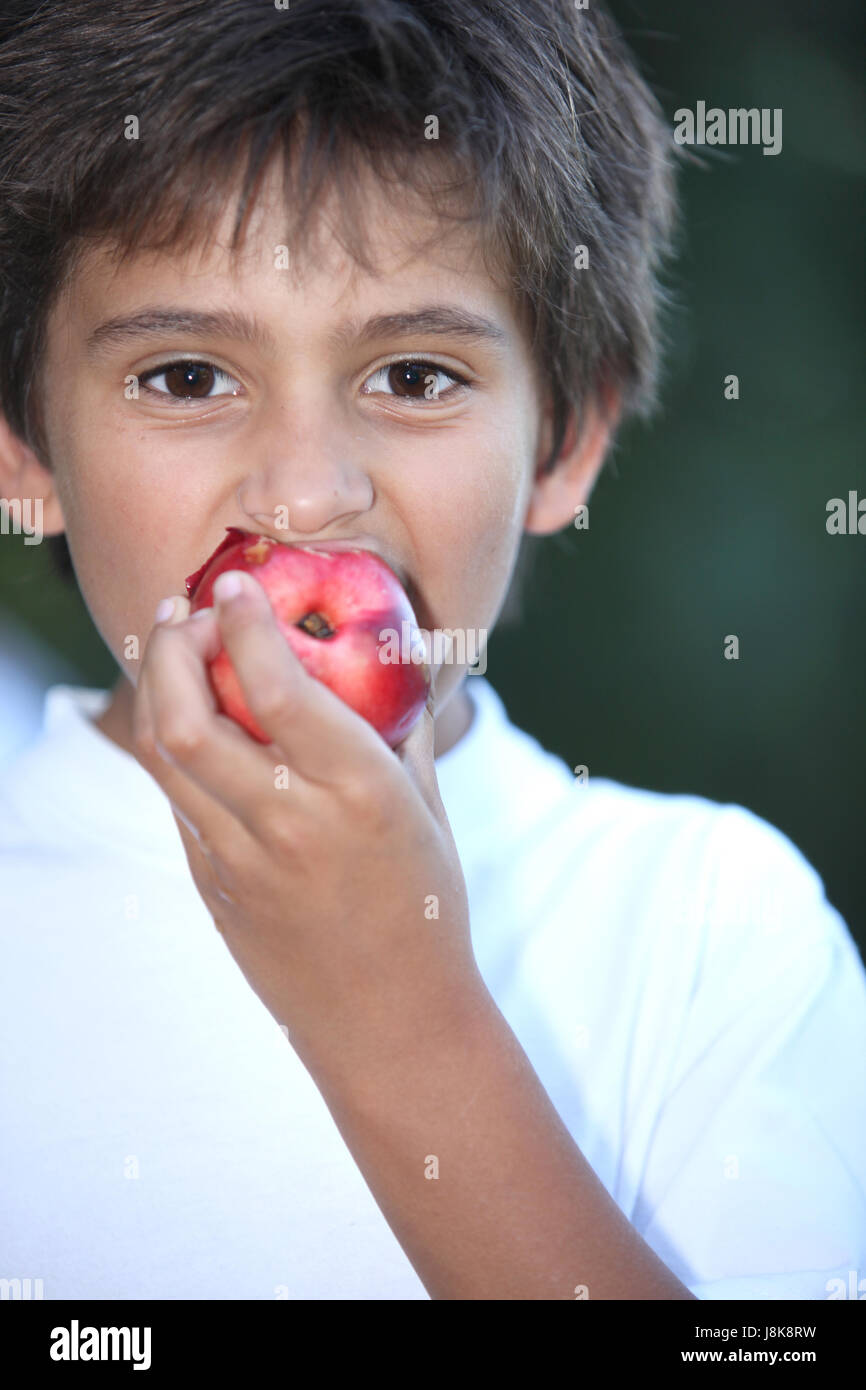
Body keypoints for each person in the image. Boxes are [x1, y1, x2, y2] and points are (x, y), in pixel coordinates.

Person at [1, 0, 863, 1301]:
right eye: (184, 376)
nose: (300, 495)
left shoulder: (707, 929)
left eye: (413, 376)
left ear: (565, 445)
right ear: (22, 453)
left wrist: (399, 1020)